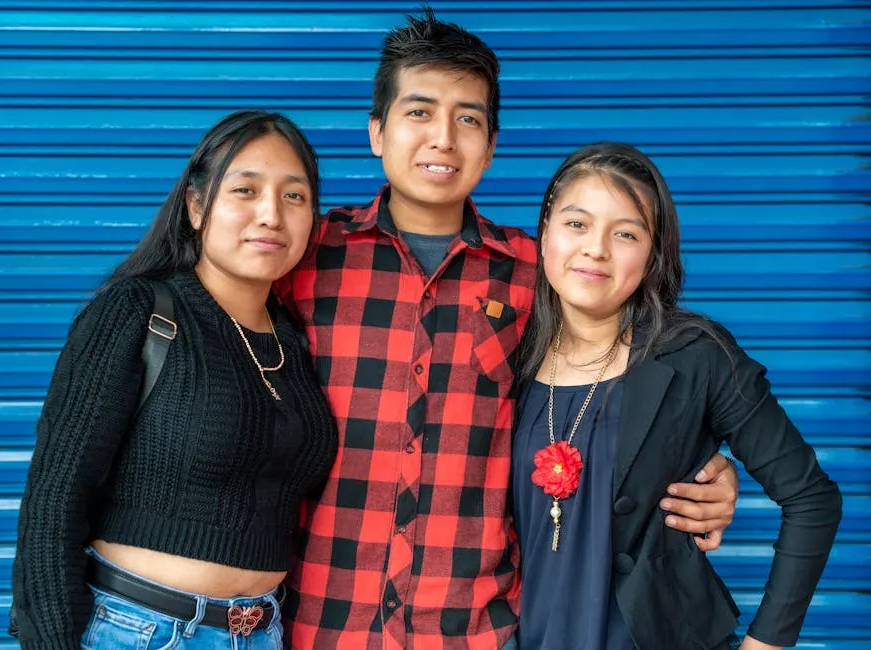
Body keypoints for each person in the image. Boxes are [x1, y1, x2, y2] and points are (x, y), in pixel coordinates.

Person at [276, 9, 740, 649]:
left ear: (491, 146)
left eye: (467, 118)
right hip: (322, 622)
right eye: (419, 112)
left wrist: (703, 465)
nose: (443, 137)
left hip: (474, 632)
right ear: (377, 132)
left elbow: (641, 381)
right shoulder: (306, 256)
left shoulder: (540, 272)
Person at [10, 110, 338, 649]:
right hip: (137, 630)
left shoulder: (294, 341)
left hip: (261, 632)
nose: (271, 215)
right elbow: (54, 498)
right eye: (245, 190)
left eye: (293, 197)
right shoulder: (138, 311)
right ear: (196, 205)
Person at [512, 142, 842, 650]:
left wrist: (767, 642)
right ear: (544, 232)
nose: (595, 248)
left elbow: (811, 499)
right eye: (576, 224)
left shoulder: (695, 355)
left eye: (626, 233)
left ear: (652, 254)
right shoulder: (505, 355)